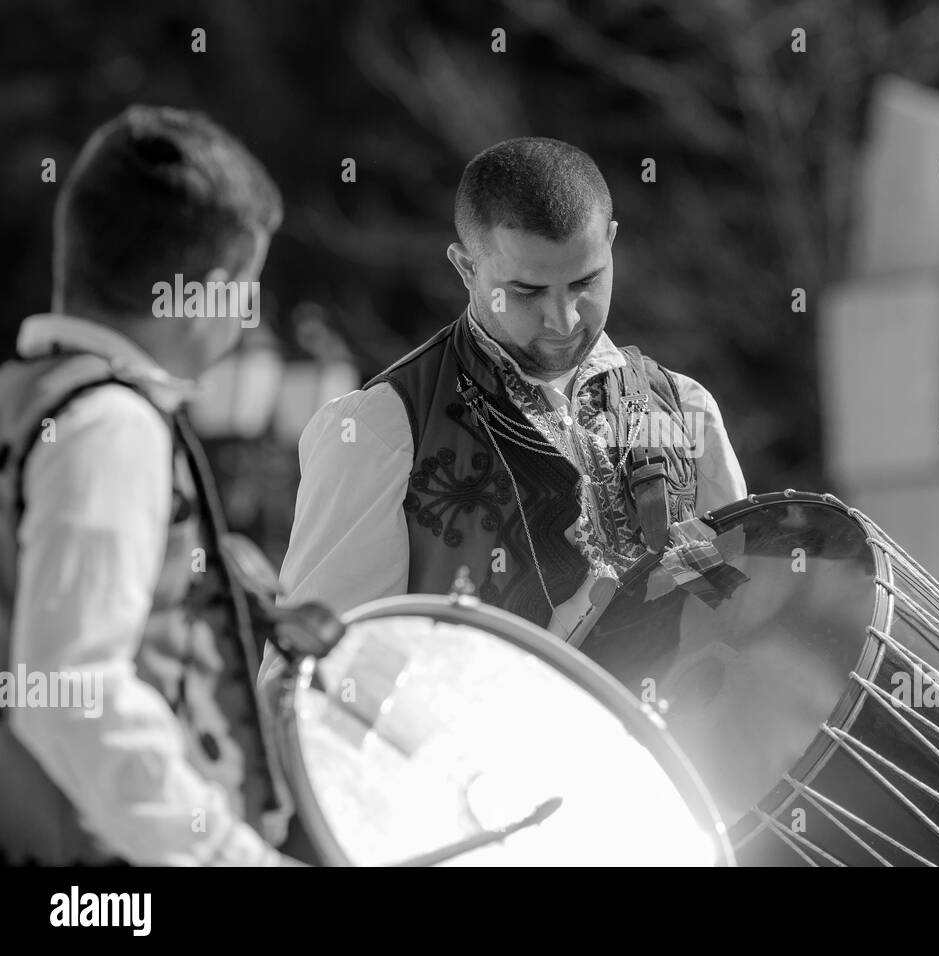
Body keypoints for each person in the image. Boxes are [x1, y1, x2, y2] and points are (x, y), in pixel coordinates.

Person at [261, 137, 746, 691]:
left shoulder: (685, 409)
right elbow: (305, 682)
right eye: (526, 291)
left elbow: (728, 621)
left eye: (585, 282)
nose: (562, 320)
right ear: (467, 268)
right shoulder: (380, 428)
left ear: (612, 242)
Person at [0, 105, 299, 865]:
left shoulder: (27, 397)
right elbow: (71, 694)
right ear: (207, 292)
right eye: (247, 289)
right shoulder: (114, 425)